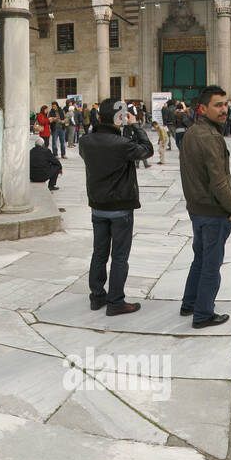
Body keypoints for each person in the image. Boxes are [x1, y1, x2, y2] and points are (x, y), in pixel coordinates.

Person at [78, 98, 152, 315]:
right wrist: (135, 125)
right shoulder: (123, 145)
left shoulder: (85, 141)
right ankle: (116, 301)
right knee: (119, 256)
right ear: (120, 118)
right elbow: (147, 150)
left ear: (99, 118)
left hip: (98, 206)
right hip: (120, 207)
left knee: (99, 253)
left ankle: (97, 296)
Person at [176, 84, 231, 329]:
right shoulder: (211, 137)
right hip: (213, 212)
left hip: (197, 209)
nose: (224, 109)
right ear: (203, 108)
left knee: (200, 259)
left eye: (225, 104)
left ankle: (189, 303)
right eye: (218, 105)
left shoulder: (192, 132)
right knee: (211, 265)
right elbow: (219, 181)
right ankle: (203, 314)